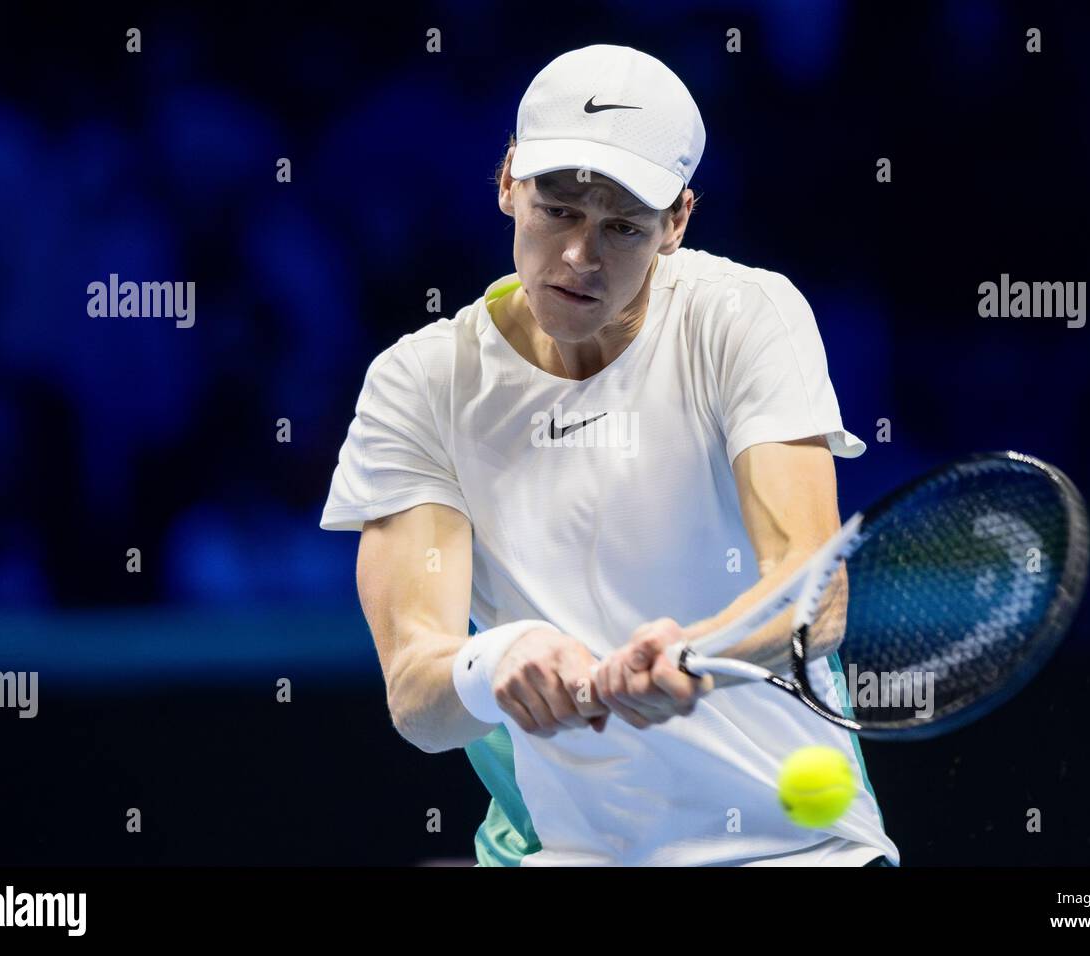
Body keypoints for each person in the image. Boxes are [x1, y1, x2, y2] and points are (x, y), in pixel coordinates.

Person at [321, 44, 900, 867]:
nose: (579, 260)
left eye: (623, 227)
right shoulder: (420, 383)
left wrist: (693, 652)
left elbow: (815, 595)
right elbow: (418, 696)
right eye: (557, 210)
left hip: (803, 850)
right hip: (565, 855)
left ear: (678, 224)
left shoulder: (745, 317)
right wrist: (498, 663)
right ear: (508, 181)